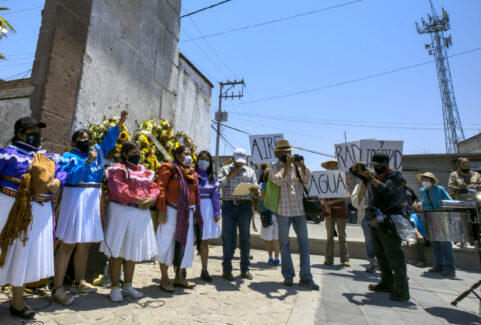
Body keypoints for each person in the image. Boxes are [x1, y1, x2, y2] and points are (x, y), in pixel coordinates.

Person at [53, 110, 128, 305]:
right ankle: (58, 287)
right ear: (74, 141)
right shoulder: (69, 157)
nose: (85, 141)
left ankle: (79, 281)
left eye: (87, 138)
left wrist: (120, 122)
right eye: (80, 138)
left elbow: (110, 140)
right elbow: (72, 178)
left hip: (92, 199)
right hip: (75, 198)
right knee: (68, 244)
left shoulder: (99, 152)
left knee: (85, 244)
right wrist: (87, 161)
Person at [0, 117, 66, 319]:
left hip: (38, 212)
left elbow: (62, 171)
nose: (37, 136)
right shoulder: (7, 154)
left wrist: (57, 181)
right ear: (20, 133)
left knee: (23, 255)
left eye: (39, 132)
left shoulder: (46, 157)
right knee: (3, 250)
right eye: (32, 131)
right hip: (9, 208)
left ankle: (17, 303)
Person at [99, 141, 159, 302]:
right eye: (133, 151)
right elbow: (118, 189)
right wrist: (138, 199)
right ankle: (114, 287)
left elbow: (155, 187)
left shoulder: (145, 171)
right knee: (117, 251)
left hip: (139, 214)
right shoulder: (117, 169)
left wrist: (151, 199)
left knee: (132, 251)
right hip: (122, 211)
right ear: (125, 154)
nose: (137, 154)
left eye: (138, 151)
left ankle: (128, 285)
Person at [351, 153, 409, 301]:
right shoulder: (373, 175)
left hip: (389, 219)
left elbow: (386, 190)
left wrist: (370, 177)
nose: (375, 167)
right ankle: (386, 282)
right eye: (373, 164)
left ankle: (402, 289)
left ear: (385, 163)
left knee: (395, 255)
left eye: (378, 164)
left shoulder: (394, 175)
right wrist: (357, 167)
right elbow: (353, 172)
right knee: (380, 254)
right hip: (375, 220)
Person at [270, 140, 319, 290]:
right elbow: (277, 180)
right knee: (284, 244)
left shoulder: (296, 167)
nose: (287, 154)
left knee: (304, 243)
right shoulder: (274, 167)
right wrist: (286, 166)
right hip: (283, 211)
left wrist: (301, 165)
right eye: (284, 152)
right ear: (278, 153)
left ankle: (306, 277)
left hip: (299, 211)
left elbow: (307, 177)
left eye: (288, 151)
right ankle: (288, 276)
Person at [156, 145, 203, 292]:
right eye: (185, 153)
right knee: (165, 243)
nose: (188, 156)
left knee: (186, 245)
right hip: (171, 211)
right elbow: (161, 188)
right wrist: (162, 210)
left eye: (190, 153)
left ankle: (180, 277)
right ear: (176, 155)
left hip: (188, 213)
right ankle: (164, 278)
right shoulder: (168, 168)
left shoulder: (192, 171)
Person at [218, 148, 258, 281]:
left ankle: (245, 269)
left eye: (242, 162)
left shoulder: (250, 172)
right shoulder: (225, 170)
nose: (240, 164)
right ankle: (227, 270)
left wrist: (255, 191)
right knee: (228, 238)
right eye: (237, 161)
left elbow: (256, 189)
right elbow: (218, 185)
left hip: (245, 206)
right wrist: (230, 175)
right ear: (233, 158)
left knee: (245, 238)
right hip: (229, 205)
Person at [416, 172, 455, 277]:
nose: (425, 182)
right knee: (434, 243)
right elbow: (423, 202)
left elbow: (449, 201)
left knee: (445, 243)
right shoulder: (422, 191)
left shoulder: (439, 189)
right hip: (428, 217)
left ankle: (450, 267)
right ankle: (438, 265)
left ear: (432, 181)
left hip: (440, 216)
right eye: (423, 180)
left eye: (427, 180)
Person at [195, 150, 221, 282]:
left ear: (209, 162)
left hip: (207, 208)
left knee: (204, 241)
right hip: (193, 207)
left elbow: (215, 196)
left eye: (206, 159)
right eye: (201, 158)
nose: (203, 161)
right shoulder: (192, 174)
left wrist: (217, 212)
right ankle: (181, 272)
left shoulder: (212, 177)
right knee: (188, 240)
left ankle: (204, 270)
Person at [321, 159, 350, 267]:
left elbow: (347, 195)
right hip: (328, 211)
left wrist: (333, 201)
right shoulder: (324, 179)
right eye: (330, 166)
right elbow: (320, 194)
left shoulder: (344, 178)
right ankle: (328, 259)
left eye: (334, 166)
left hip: (340, 209)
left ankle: (345, 259)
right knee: (329, 235)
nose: (332, 168)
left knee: (342, 235)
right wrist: (325, 204)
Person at [351, 178, 377, 273]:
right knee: (369, 239)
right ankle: (372, 261)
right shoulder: (358, 187)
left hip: (378, 214)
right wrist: (361, 193)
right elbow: (354, 202)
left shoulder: (377, 185)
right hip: (366, 215)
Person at [258, 168, 280, 266]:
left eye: (270, 174)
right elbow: (261, 198)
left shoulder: (277, 185)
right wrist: (267, 191)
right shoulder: (261, 185)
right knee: (268, 238)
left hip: (277, 214)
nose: (268, 177)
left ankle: (277, 258)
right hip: (267, 214)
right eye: (266, 175)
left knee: (276, 237)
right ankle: (270, 257)